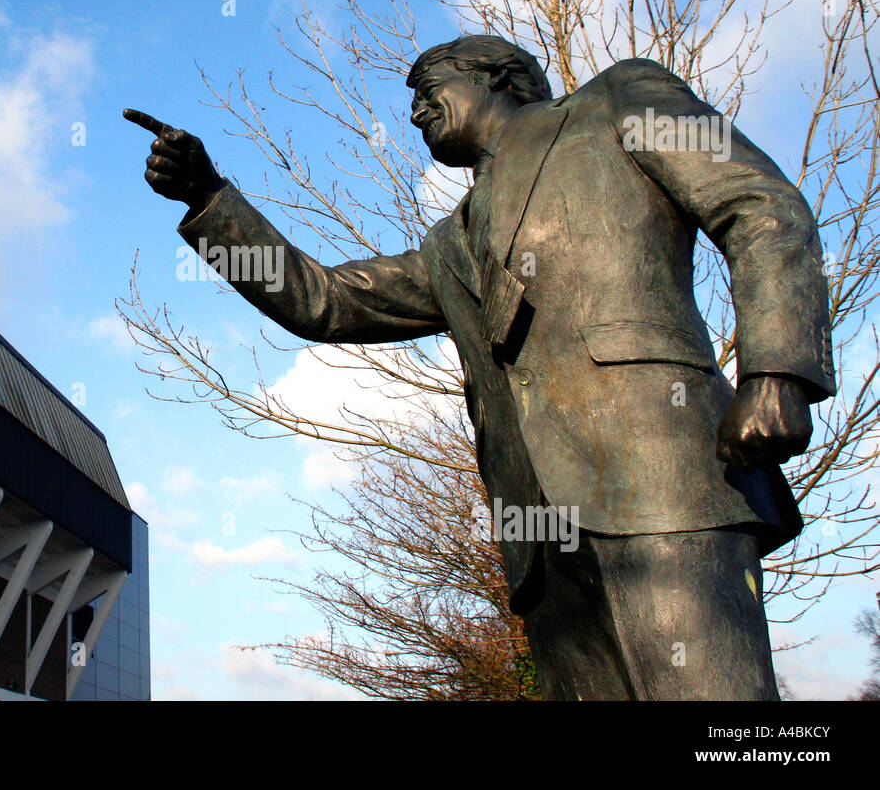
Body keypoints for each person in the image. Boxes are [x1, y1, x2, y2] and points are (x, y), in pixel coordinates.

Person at [123, 34, 835, 699]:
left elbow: (761, 205)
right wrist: (210, 199)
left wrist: (777, 371)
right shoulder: (447, 247)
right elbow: (325, 302)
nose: (414, 112)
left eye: (430, 87)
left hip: (665, 481)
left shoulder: (618, 101)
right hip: (540, 539)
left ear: (498, 76)